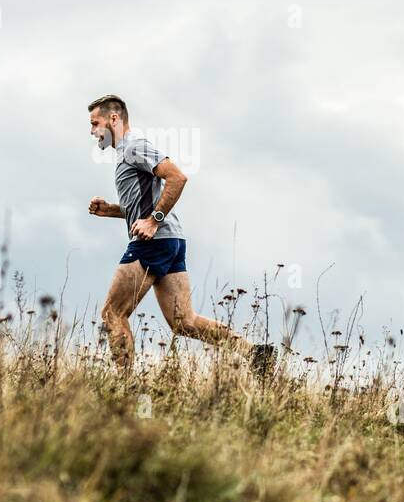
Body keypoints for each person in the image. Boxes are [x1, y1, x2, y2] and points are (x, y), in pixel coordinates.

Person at [86, 94, 273, 375]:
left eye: (95, 123)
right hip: (171, 241)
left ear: (114, 119)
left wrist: (153, 221)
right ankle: (254, 353)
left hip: (153, 242)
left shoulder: (134, 146)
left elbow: (177, 177)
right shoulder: (127, 152)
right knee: (183, 321)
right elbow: (142, 205)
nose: (92, 132)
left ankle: (122, 389)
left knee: (113, 314)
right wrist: (111, 210)